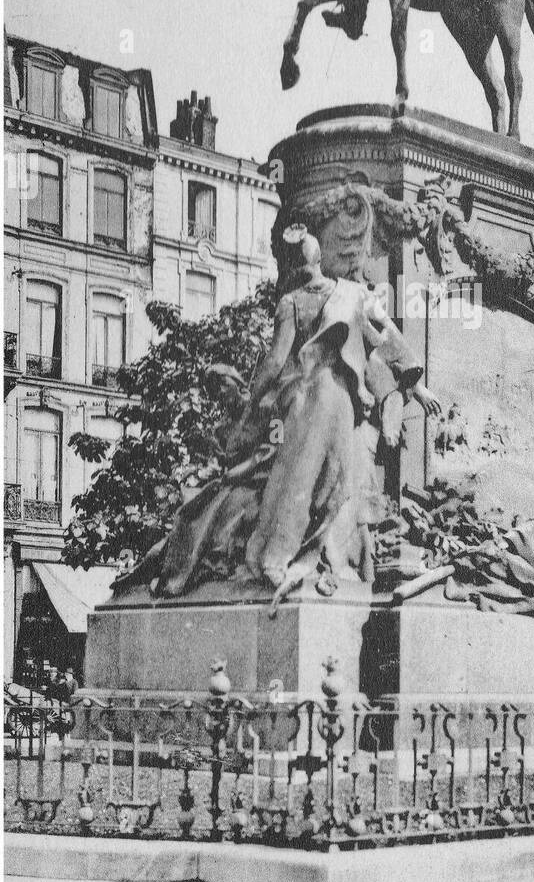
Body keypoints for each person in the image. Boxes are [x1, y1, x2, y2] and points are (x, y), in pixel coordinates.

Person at [118, 227, 439, 608]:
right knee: (330, 483)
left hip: (306, 401)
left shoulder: (291, 302)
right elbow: (390, 336)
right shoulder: (353, 295)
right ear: (319, 260)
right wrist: (416, 387)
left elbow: (274, 360)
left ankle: (277, 555)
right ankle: (312, 555)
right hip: (343, 403)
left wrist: (254, 401)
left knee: (295, 478)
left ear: (288, 265)